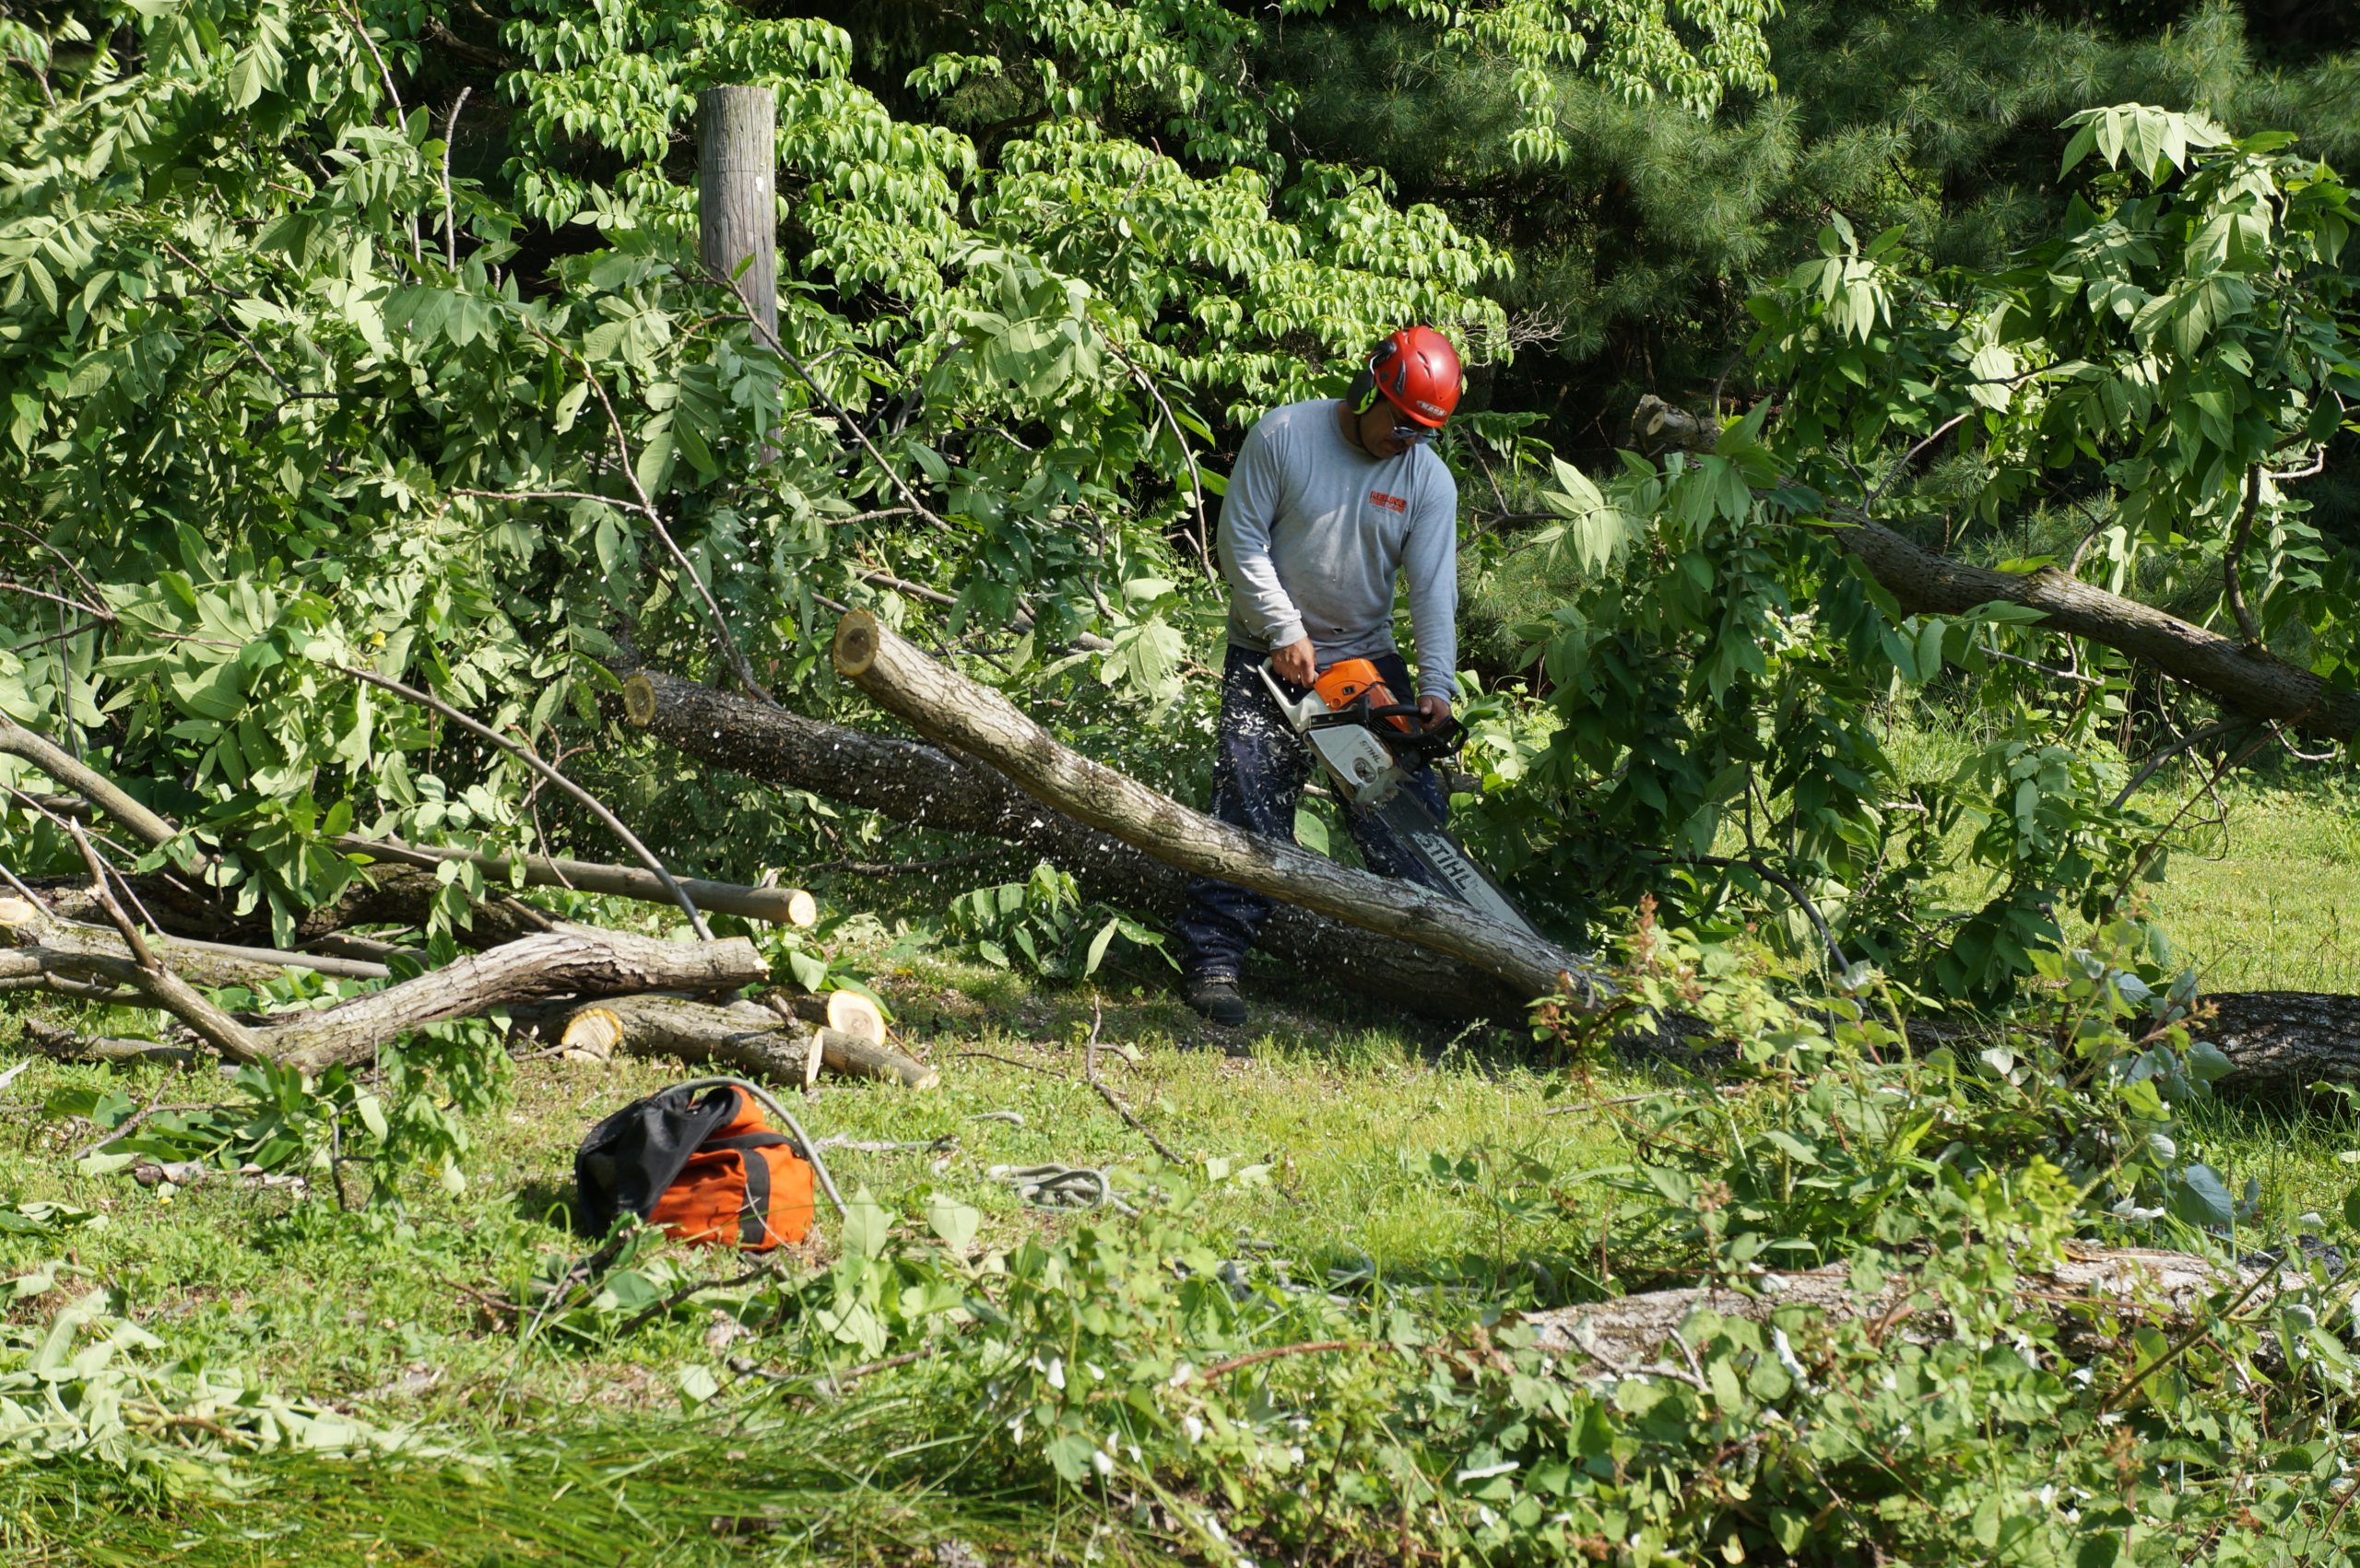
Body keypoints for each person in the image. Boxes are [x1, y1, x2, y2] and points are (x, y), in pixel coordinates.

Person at [1175, 324, 1465, 1027]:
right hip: (1267, 653)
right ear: (1370, 389)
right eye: (1400, 424)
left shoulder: (1426, 476)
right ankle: (1215, 956)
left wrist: (1438, 686)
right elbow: (1239, 541)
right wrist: (1283, 627)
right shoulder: (1284, 437)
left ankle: (1450, 966)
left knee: (1408, 816)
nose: (1407, 442)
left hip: (1362, 655)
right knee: (1249, 803)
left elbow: (1432, 588)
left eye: (1424, 431)